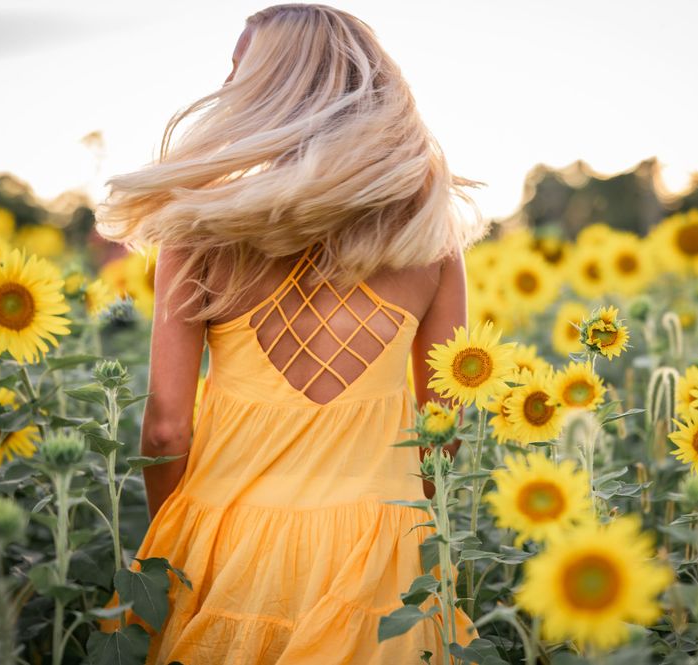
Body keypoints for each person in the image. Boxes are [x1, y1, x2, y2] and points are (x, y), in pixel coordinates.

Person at [94, 4, 488, 662]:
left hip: (226, 543)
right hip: (379, 558)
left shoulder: (199, 231)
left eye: (237, 70)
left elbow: (166, 427)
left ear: (267, 87)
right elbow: (442, 431)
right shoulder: (431, 240)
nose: (226, 87)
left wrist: (174, 534)